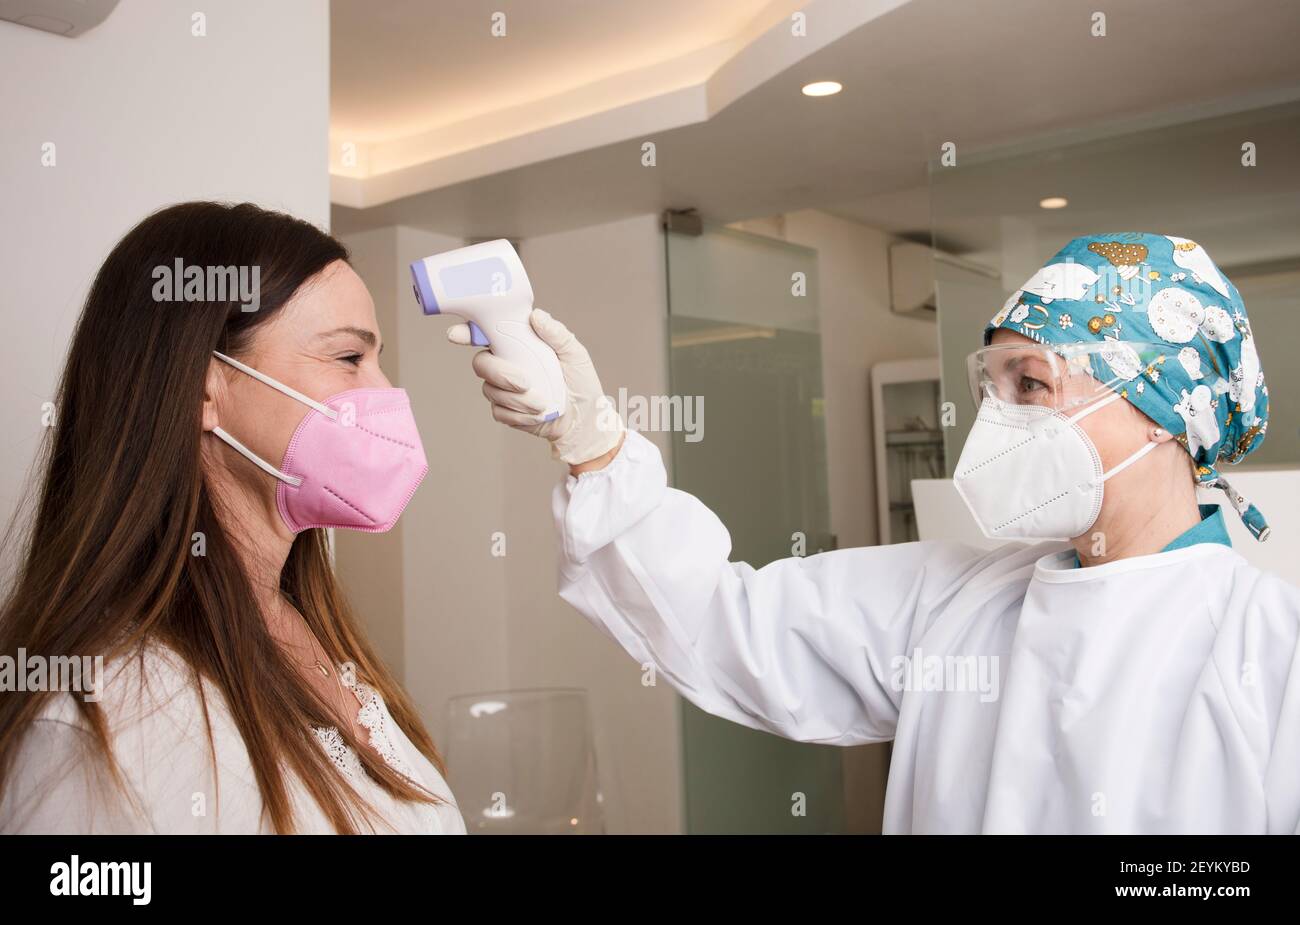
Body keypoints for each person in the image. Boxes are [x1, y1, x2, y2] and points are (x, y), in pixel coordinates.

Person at [458, 232, 1300, 834]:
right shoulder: (952, 599)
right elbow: (723, 623)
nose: (997, 420)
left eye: (1031, 383)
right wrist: (594, 443)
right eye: (991, 385)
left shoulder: (1273, 653)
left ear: (1162, 411)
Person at [0, 202, 464, 834]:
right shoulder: (96, 716)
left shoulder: (317, 637)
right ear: (204, 390)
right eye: (349, 358)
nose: (385, 395)